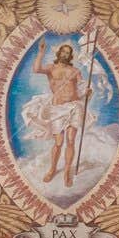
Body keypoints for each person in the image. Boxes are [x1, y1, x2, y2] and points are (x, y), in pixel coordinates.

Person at [22, 39, 87, 187]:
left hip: (74, 106)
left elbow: (83, 89)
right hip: (57, 108)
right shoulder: (51, 68)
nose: (65, 54)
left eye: (68, 53)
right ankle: (52, 169)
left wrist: (88, 92)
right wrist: (41, 52)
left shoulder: (75, 71)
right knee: (58, 142)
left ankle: (66, 172)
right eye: (63, 52)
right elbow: (36, 69)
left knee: (70, 140)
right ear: (59, 53)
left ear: (70, 56)